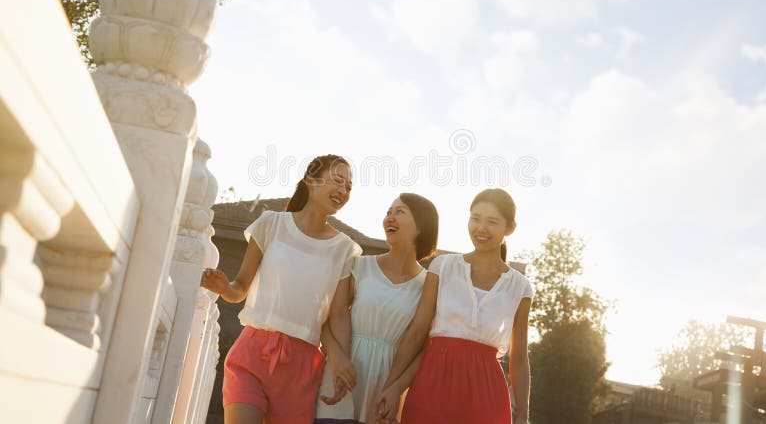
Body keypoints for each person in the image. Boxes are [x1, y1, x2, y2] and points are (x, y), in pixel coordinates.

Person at [201, 155, 362, 424]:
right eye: (337, 180)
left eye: (349, 186)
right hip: (252, 353)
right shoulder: (271, 224)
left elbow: (339, 316)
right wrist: (223, 288)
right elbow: (239, 288)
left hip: (303, 368)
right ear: (311, 179)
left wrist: (339, 362)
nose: (344, 190)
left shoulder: (345, 249)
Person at [375, 188, 532, 424]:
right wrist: (392, 387)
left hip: (486, 392)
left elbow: (519, 357)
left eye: (492, 222)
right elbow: (418, 331)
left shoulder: (521, 287)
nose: (481, 228)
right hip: (432, 381)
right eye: (475, 218)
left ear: (509, 228)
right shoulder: (443, 267)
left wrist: (522, 413)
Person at [315, 193, 439, 424]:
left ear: (421, 226)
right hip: (340, 375)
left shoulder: (429, 286)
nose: (389, 218)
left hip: (386, 389)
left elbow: (424, 347)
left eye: (399, 212)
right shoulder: (359, 265)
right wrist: (337, 358)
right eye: (388, 212)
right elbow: (327, 317)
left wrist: (396, 389)